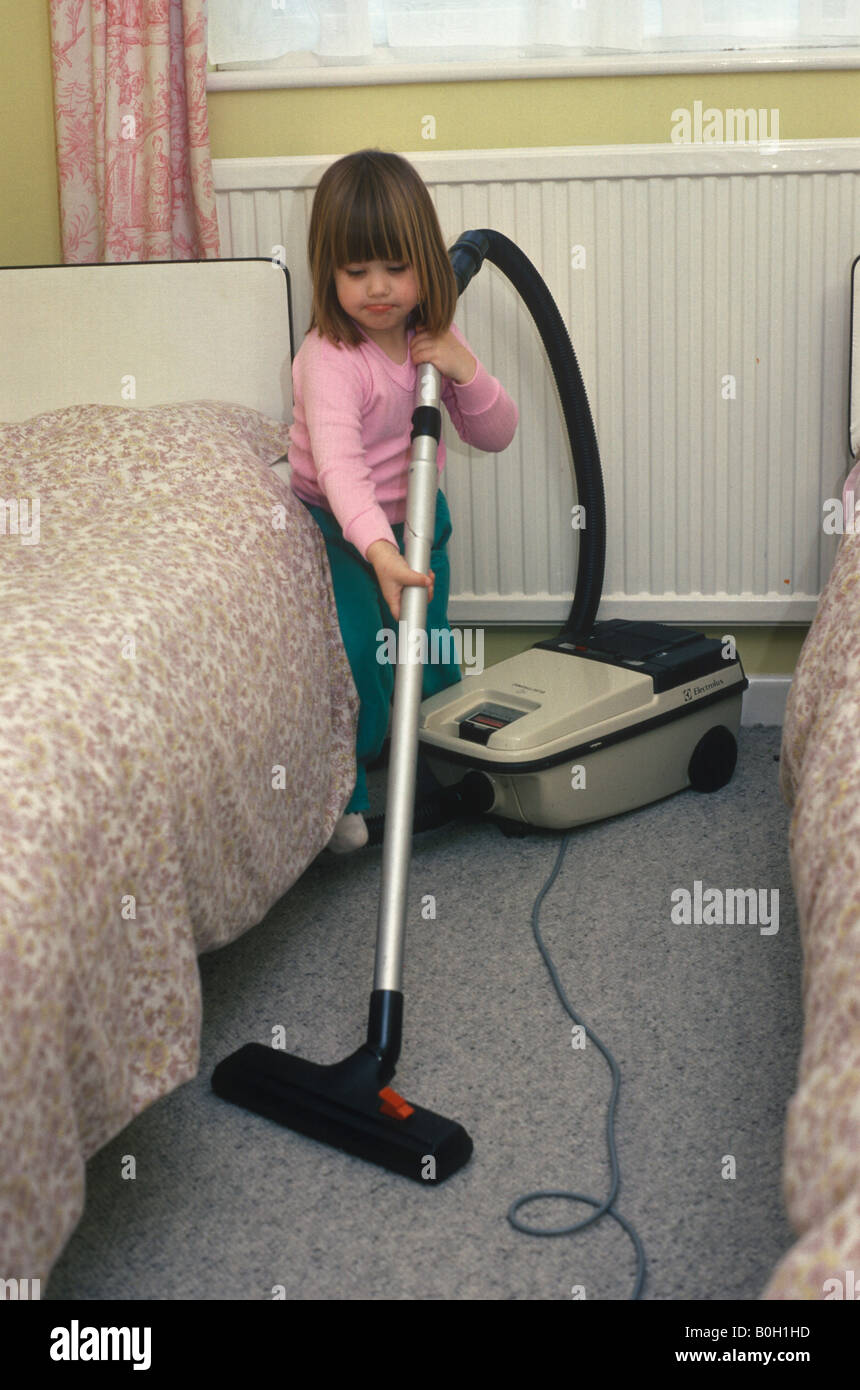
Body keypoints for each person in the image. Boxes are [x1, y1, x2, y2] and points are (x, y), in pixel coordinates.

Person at [289, 149, 518, 853]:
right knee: (362, 653)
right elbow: (341, 471)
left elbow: (496, 432)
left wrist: (465, 370)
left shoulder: (432, 338)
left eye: (395, 267)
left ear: (426, 261)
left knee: (430, 644)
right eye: (357, 273)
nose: (379, 289)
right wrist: (380, 554)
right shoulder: (328, 359)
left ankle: (447, 759)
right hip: (344, 529)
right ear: (329, 272)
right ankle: (348, 794)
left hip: (419, 519)